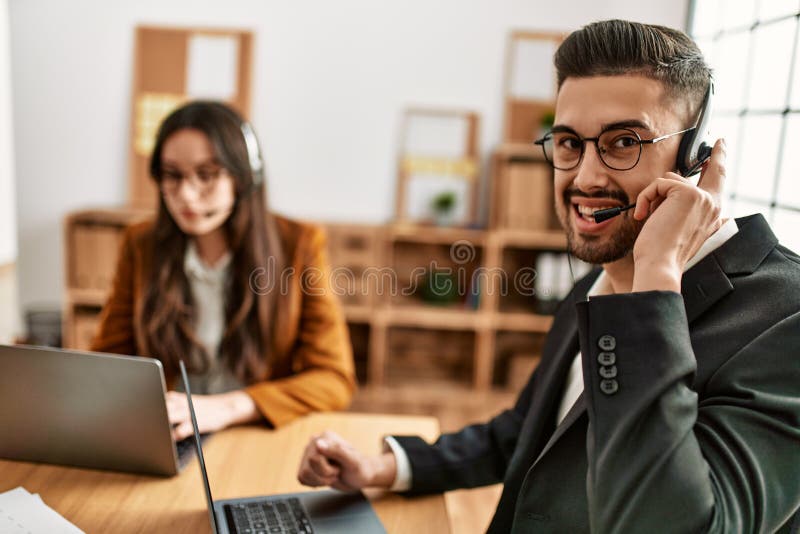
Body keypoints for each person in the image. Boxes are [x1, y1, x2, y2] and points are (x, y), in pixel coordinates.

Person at [296, 20, 800, 533]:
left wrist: (657, 276)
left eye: (624, 141)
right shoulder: (597, 284)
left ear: (696, 159)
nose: (584, 177)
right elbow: (529, 432)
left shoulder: (787, 318)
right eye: (567, 143)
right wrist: (383, 468)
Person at [91, 101, 356, 440]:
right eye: (172, 175)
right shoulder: (140, 244)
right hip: (171, 436)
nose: (186, 195)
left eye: (207, 174)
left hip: (255, 434)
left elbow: (334, 378)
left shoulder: (299, 244)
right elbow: (107, 361)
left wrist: (230, 407)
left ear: (244, 178)